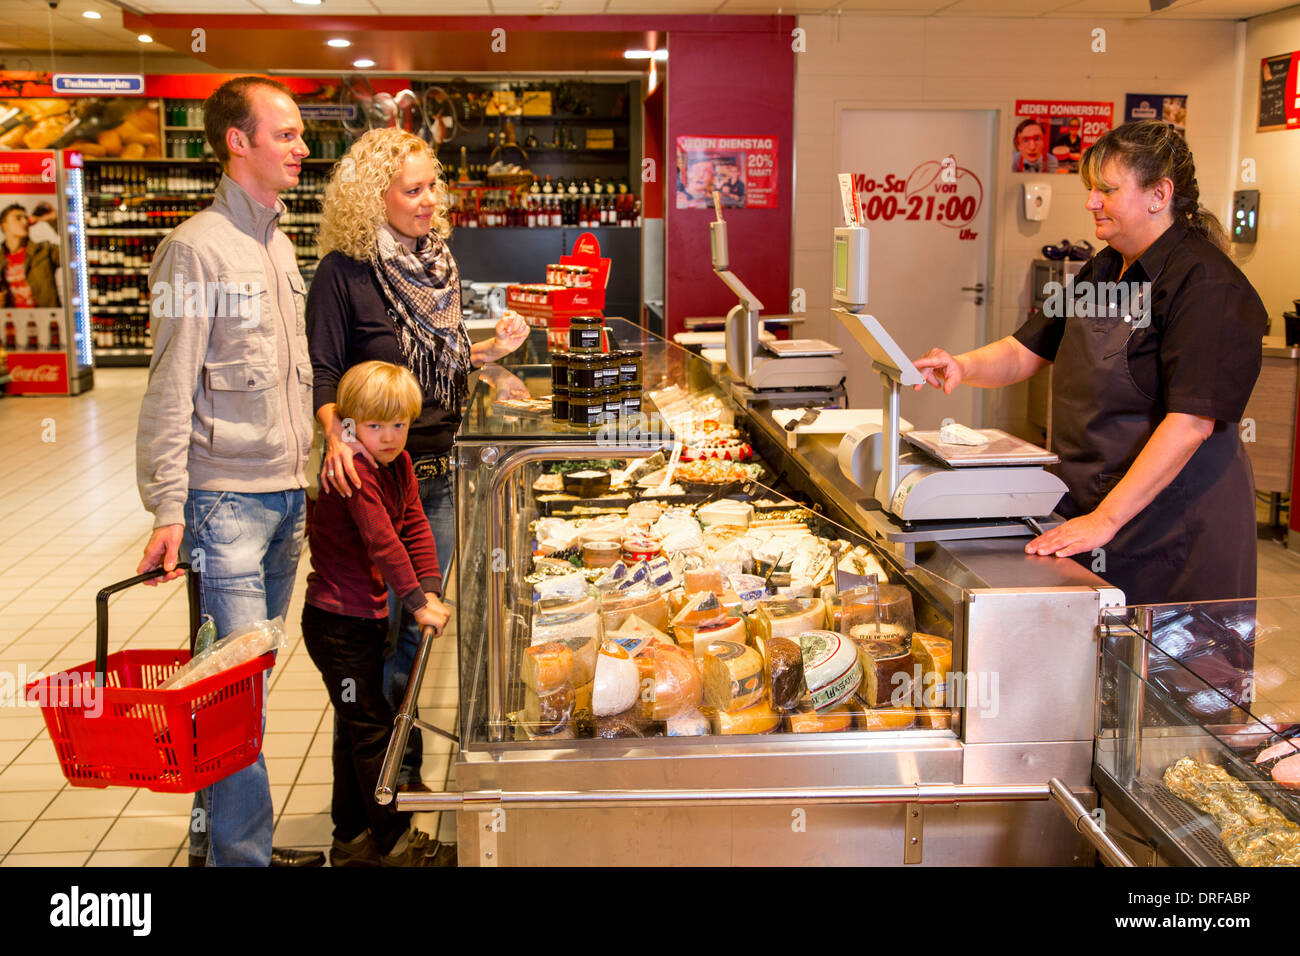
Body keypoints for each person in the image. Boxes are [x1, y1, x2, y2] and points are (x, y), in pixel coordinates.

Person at [915, 120, 1266, 606]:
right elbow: (1026, 349)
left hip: (1175, 530)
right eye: (1090, 189)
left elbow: (1190, 424)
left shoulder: (1207, 286)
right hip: (1097, 512)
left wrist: (1106, 519)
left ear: (1158, 194)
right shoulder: (1104, 267)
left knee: (1169, 673)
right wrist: (962, 365)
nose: (1090, 202)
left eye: (1106, 189)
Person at [135, 75, 322, 867]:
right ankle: (241, 857)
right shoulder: (193, 247)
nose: (303, 147)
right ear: (237, 142)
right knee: (234, 698)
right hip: (224, 509)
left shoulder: (279, 242)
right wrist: (166, 508)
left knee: (240, 693)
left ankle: (220, 839)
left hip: (285, 498)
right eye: (285, 134)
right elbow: (169, 384)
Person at [307, 127, 528, 794]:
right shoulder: (344, 273)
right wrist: (336, 435)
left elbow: (439, 365)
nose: (430, 200)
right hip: (372, 483)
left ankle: (399, 780)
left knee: (416, 636)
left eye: (432, 185)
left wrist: (489, 355)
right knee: (379, 639)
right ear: (375, 197)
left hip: (438, 473)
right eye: (413, 189)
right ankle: (378, 788)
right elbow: (321, 375)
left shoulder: (437, 265)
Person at [301, 360, 451, 866]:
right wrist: (416, 603)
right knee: (372, 732)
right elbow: (382, 541)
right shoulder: (350, 472)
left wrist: (429, 589)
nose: (388, 437)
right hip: (337, 625)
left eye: (399, 425)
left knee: (354, 729)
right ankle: (395, 843)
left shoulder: (399, 464)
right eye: (374, 426)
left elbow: (414, 527)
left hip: (364, 623)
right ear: (347, 425)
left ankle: (350, 839)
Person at [1, 201, 60, 307]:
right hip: (10, 321)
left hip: (46, 320)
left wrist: (55, 221)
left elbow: (76, 254)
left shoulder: (45, 250)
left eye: (25, 218)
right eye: (18, 218)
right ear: (5, 226)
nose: (24, 222)